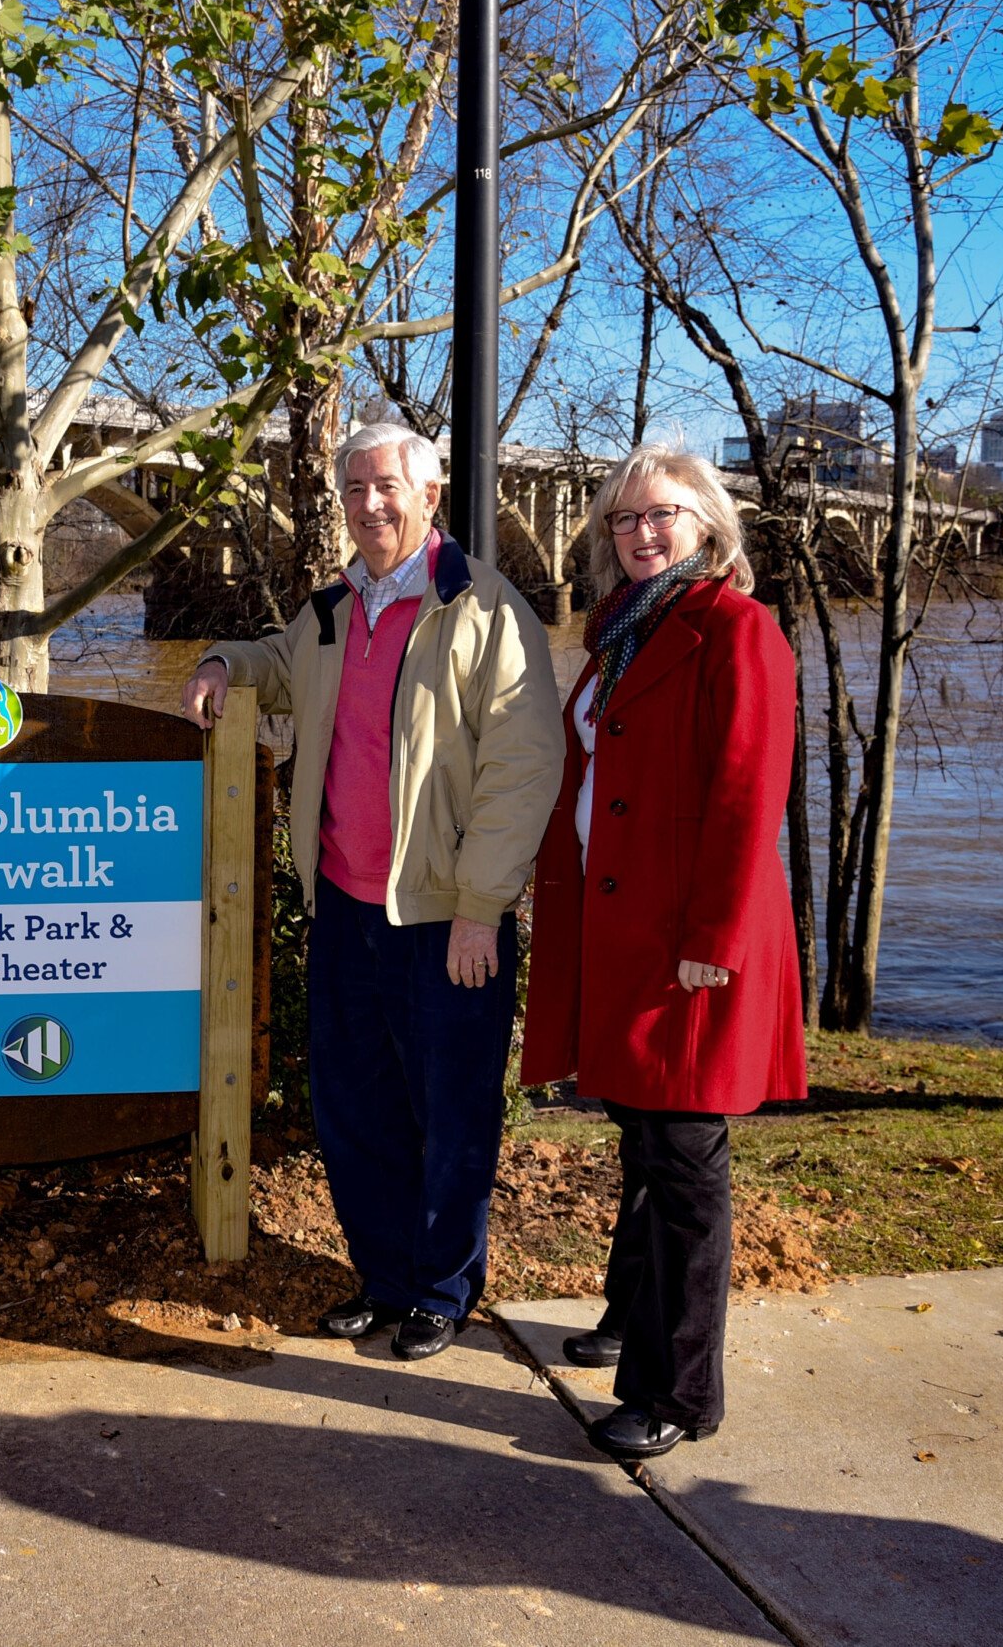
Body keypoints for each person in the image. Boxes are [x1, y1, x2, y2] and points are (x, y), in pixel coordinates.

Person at [183, 422, 563, 1361]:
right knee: (357, 1107)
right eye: (354, 489)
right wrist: (227, 662)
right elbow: (281, 663)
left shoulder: (486, 611)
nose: (369, 504)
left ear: (429, 496)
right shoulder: (332, 612)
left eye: (387, 486)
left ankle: (442, 1289)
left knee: (451, 1113)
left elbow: (523, 769)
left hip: (443, 917)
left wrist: (482, 906)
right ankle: (385, 1279)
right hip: (346, 908)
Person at [520, 444, 807, 1460]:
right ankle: (621, 1321)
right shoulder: (623, 634)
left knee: (684, 1164)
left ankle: (676, 1392)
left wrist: (712, 942)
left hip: (691, 943)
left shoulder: (737, 629)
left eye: (662, 514)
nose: (640, 532)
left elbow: (745, 795)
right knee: (644, 1144)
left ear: (709, 523)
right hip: (624, 930)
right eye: (623, 519)